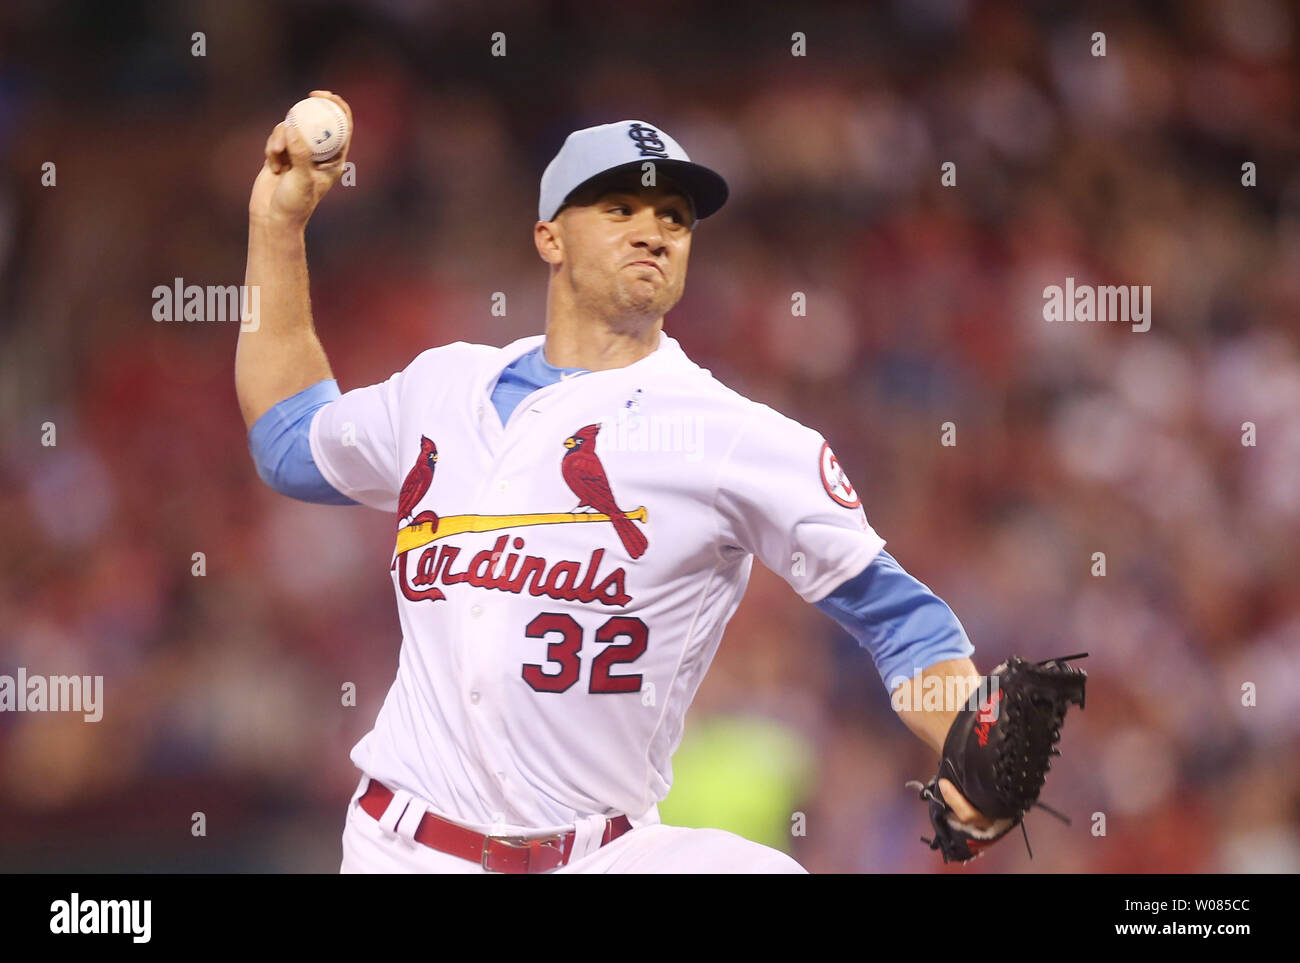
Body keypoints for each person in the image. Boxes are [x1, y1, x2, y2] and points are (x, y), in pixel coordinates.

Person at [239, 92, 993, 873]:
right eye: (620, 205)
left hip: (602, 854)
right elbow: (289, 441)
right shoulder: (442, 387)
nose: (653, 231)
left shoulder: (731, 433)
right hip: (403, 847)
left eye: (674, 216)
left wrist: (975, 745)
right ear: (549, 236)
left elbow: (900, 618)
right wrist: (276, 227)